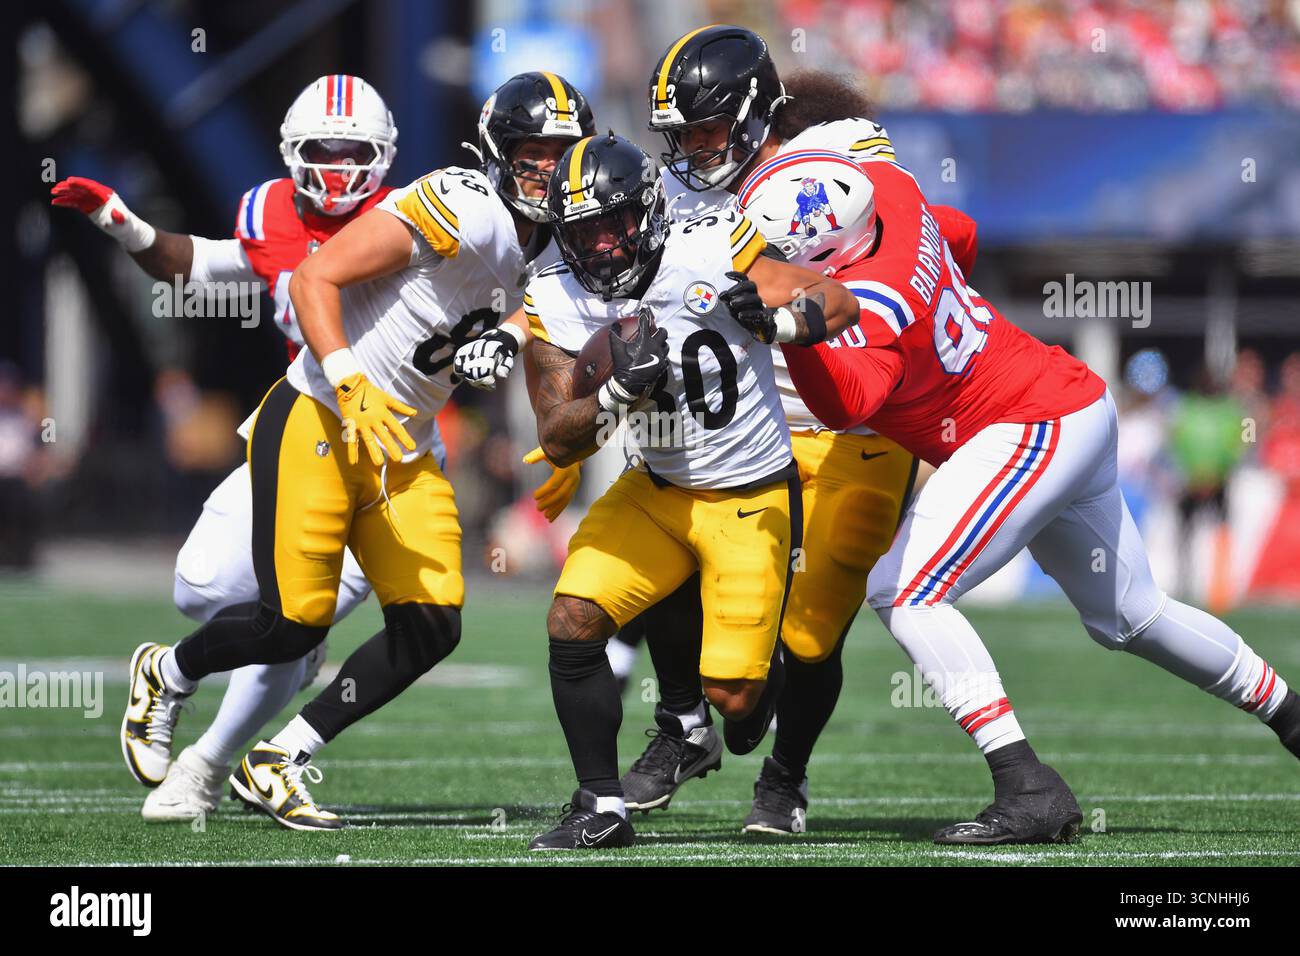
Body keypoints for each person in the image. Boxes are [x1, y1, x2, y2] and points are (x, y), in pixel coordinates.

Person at [768, 155, 1300, 844]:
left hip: (1027, 424)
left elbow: (847, 404)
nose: (772, 268)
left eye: (783, 259)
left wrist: (798, 333)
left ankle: (1027, 784)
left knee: (903, 590)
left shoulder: (876, 308)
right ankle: (1291, 716)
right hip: (1066, 402)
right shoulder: (892, 193)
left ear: (828, 255)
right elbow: (958, 233)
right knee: (1131, 616)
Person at [117, 71, 595, 830]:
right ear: (500, 153)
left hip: (403, 446)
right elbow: (315, 277)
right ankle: (167, 671)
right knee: (293, 624)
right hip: (318, 414)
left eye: (562, 151)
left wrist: (525, 367)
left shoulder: (564, 238)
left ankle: (281, 756)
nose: (547, 167)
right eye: (532, 151)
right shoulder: (464, 204)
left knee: (433, 622)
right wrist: (348, 380)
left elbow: (549, 317)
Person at [52, 75, 397, 820]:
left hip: (391, 457)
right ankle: (273, 642)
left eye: (353, 153)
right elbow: (196, 264)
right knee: (199, 587)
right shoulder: (271, 210)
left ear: (384, 158)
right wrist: (121, 222)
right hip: (299, 429)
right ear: (291, 154)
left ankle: (204, 769)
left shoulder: (413, 221)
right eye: (322, 152)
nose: (337, 169)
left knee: (296, 616)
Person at [522, 133, 861, 850]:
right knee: (572, 621)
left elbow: (836, 301)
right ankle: (601, 807)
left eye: (615, 222)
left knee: (738, 708)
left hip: (750, 493)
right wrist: (616, 393)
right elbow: (557, 435)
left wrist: (779, 320)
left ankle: (725, 704)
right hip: (658, 489)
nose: (603, 244)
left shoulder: (711, 243)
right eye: (584, 230)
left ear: (650, 212)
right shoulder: (553, 292)